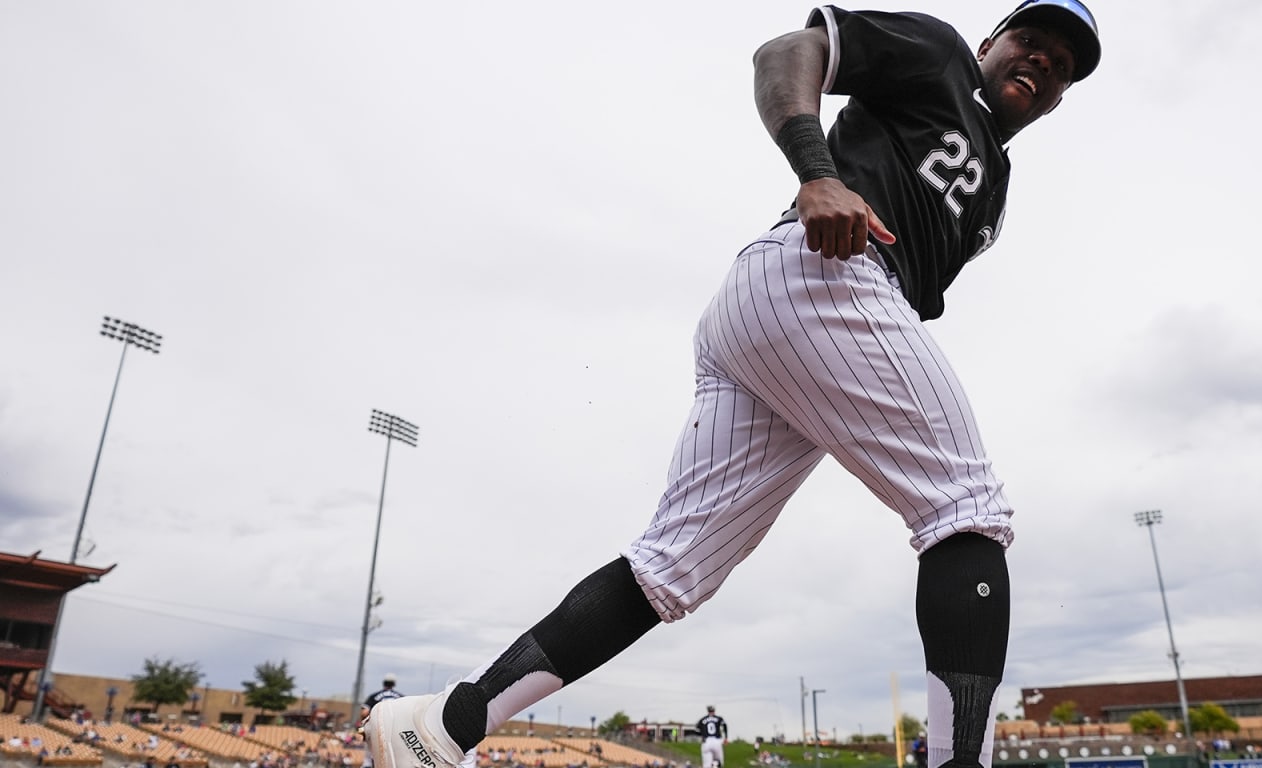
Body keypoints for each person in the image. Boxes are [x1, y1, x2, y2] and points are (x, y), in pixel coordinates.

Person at [364, 4, 1101, 768]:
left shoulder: (995, 189)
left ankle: (443, 726)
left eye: (1062, 63)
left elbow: (916, 287)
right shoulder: (940, 54)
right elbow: (785, 53)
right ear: (990, 44)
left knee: (669, 571)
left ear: (1061, 95)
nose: (1043, 61)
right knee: (965, 508)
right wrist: (817, 172)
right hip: (820, 273)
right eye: (1031, 40)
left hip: (790, 321)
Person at [361, 675, 405, 768]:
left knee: (369, 756)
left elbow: (364, 713)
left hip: (377, 727)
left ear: (384, 683)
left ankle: (367, 763)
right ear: (394, 684)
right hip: (394, 730)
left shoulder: (374, 696)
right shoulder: (401, 697)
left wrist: (363, 727)